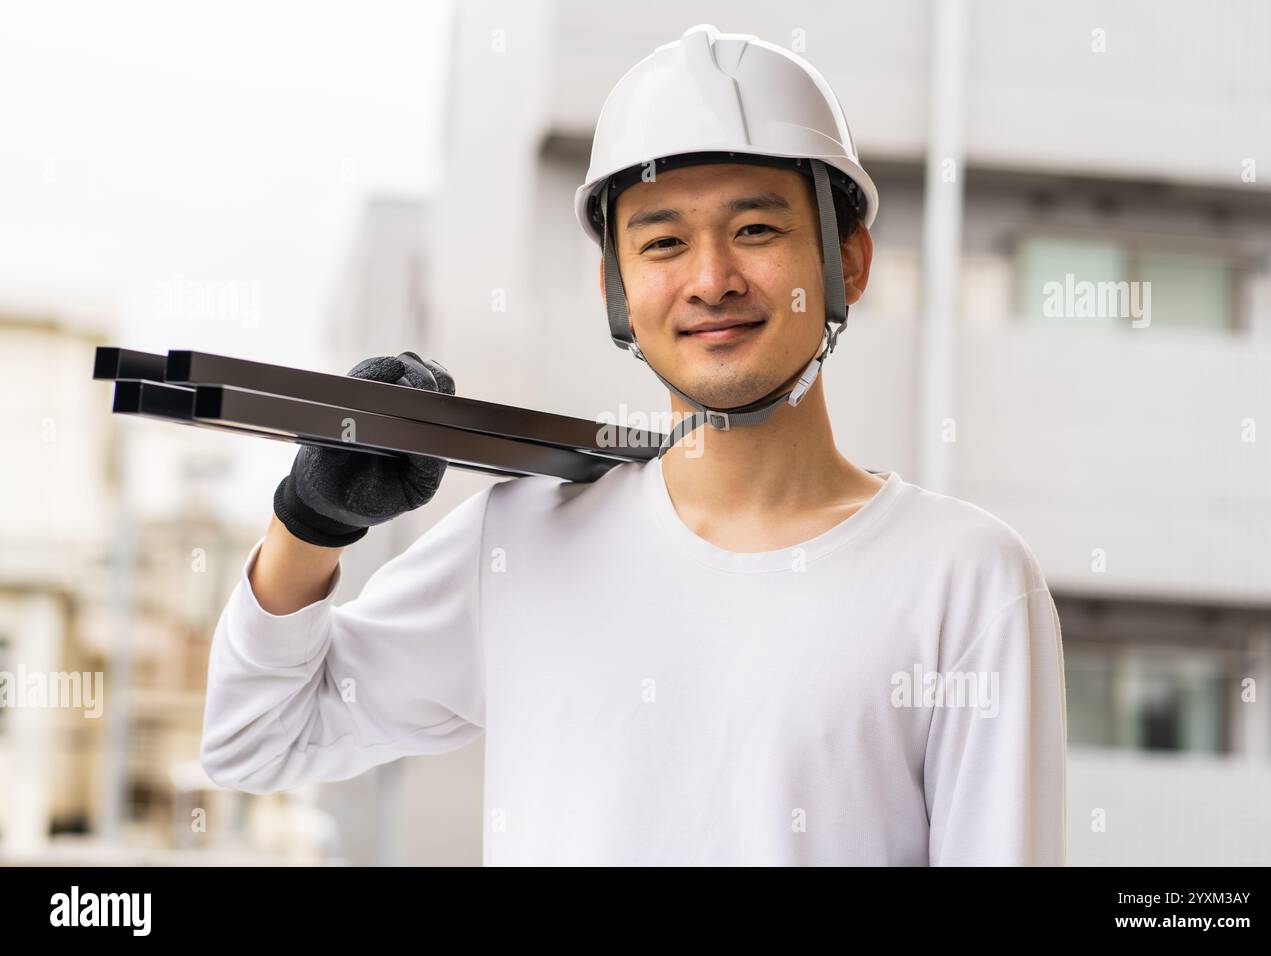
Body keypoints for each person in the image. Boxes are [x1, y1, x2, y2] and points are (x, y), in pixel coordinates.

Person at [200, 23, 1067, 866]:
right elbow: (259, 739)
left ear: (850, 262)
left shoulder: (965, 580)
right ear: (614, 288)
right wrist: (311, 521)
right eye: (662, 243)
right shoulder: (527, 541)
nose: (711, 278)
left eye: (757, 230)